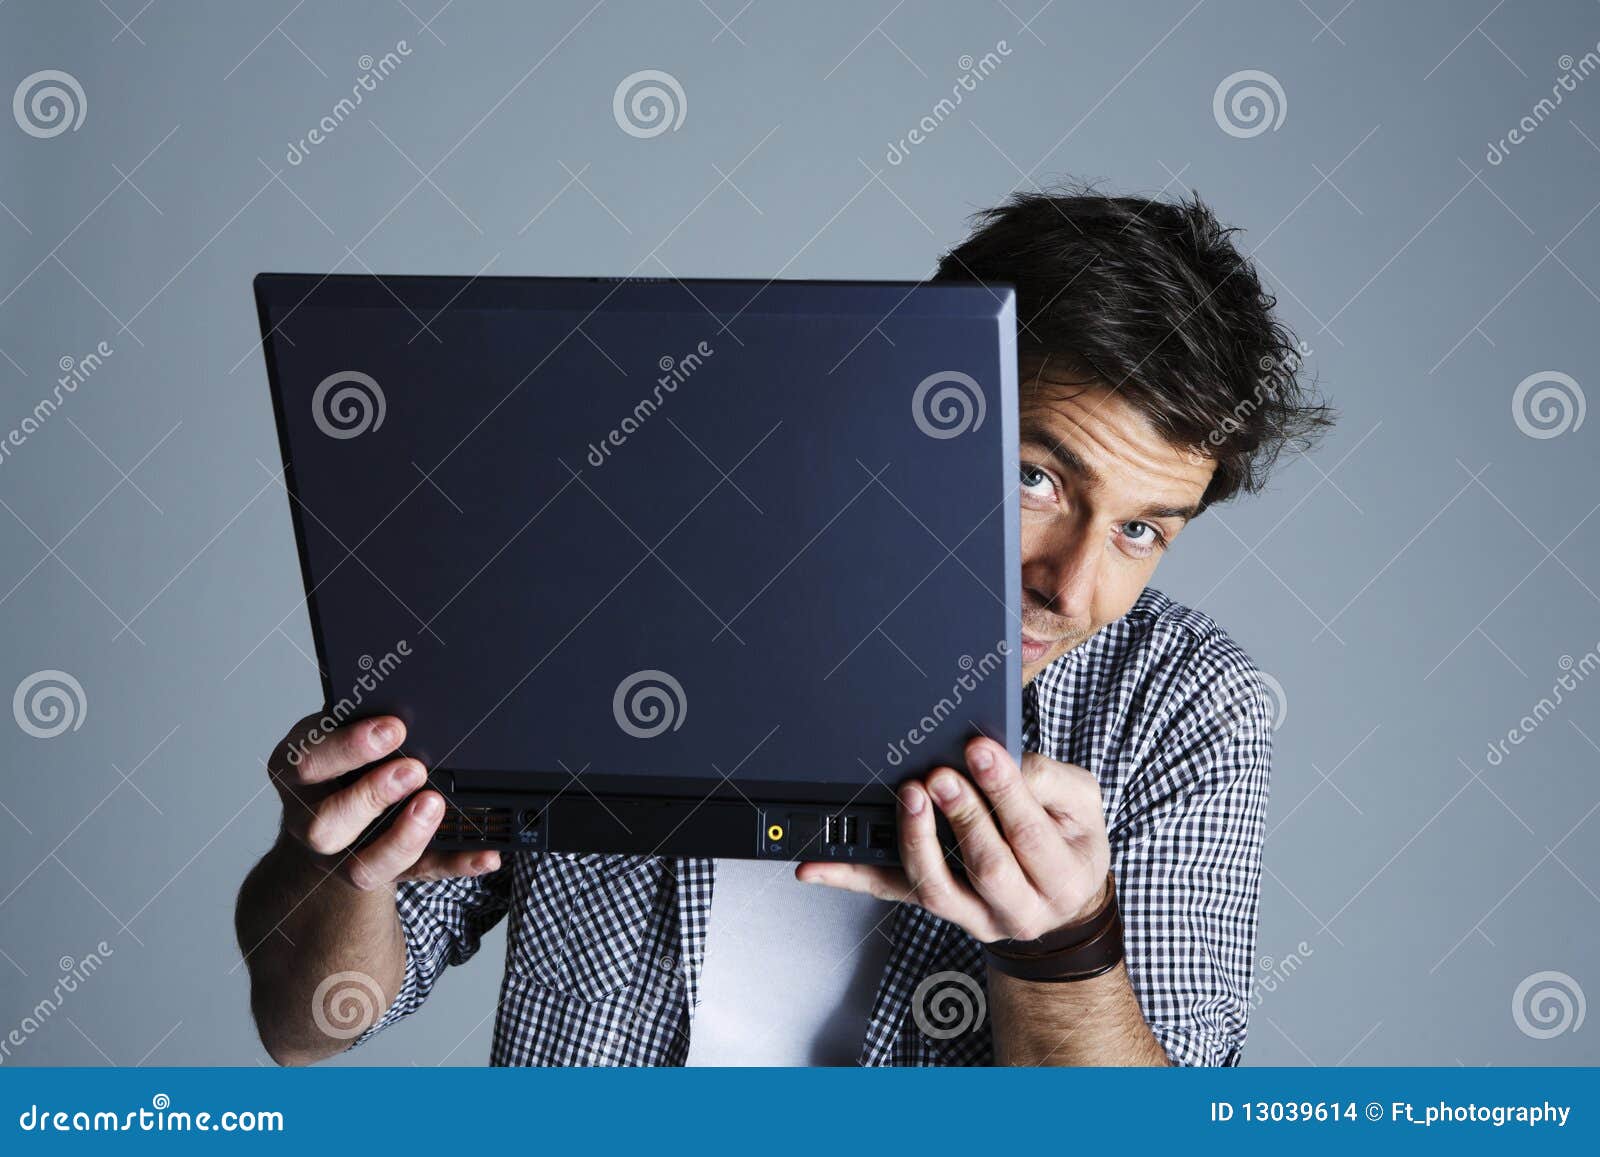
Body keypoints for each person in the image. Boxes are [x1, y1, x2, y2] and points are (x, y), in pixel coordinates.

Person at [235, 184, 1332, 1067]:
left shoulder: (1184, 705)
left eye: (1144, 530)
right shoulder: (599, 599)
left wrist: (1059, 943)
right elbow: (307, 1024)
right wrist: (332, 857)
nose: (1074, 585)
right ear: (914, 396)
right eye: (1035, 477)